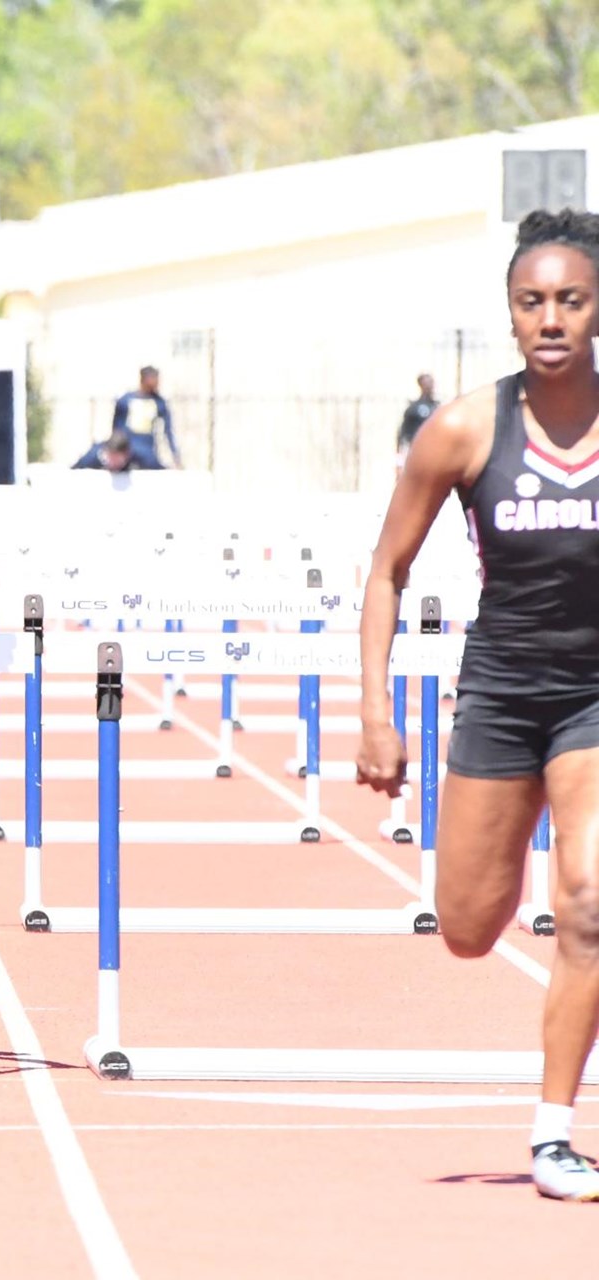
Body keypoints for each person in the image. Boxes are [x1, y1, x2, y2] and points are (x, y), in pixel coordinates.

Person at [356, 209, 599, 1203]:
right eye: (532, 302)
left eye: (571, 301)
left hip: (595, 696)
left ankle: (553, 1132)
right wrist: (375, 708)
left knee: (587, 899)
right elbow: (387, 569)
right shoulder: (465, 428)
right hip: (500, 694)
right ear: (509, 316)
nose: (551, 319)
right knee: (464, 923)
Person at [114, 365, 178, 467]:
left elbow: (168, 431)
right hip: (127, 448)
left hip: (147, 449)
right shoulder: (126, 400)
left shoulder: (159, 402)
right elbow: (117, 428)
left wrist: (175, 454)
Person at [71, 427, 163, 473]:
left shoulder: (144, 456)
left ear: (127, 454)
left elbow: (163, 473)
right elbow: (73, 471)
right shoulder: (94, 455)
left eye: (117, 460)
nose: (113, 464)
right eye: (111, 459)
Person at [396, 371, 440, 469]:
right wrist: (399, 460)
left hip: (435, 451)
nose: (430, 386)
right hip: (418, 452)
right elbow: (402, 434)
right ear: (421, 385)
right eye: (427, 383)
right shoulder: (414, 408)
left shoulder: (437, 407)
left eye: (431, 383)